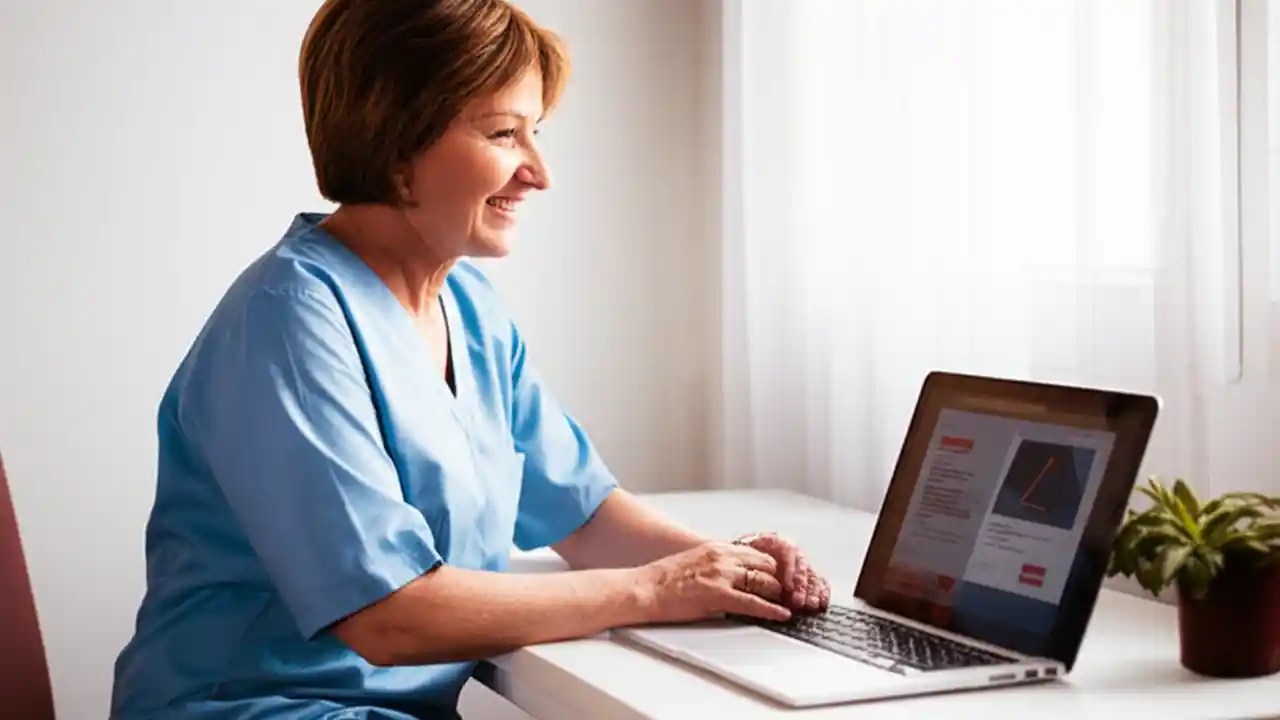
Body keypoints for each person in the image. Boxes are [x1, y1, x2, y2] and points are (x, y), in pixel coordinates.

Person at [110, 1, 831, 717]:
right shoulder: (287, 321)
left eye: (536, 133)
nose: (538, 172)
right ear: (395, 144)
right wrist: (659, 589)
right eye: (504, 134)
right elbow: (389, 616)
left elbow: (587, 520)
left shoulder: (472, 311)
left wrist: (739, 567)